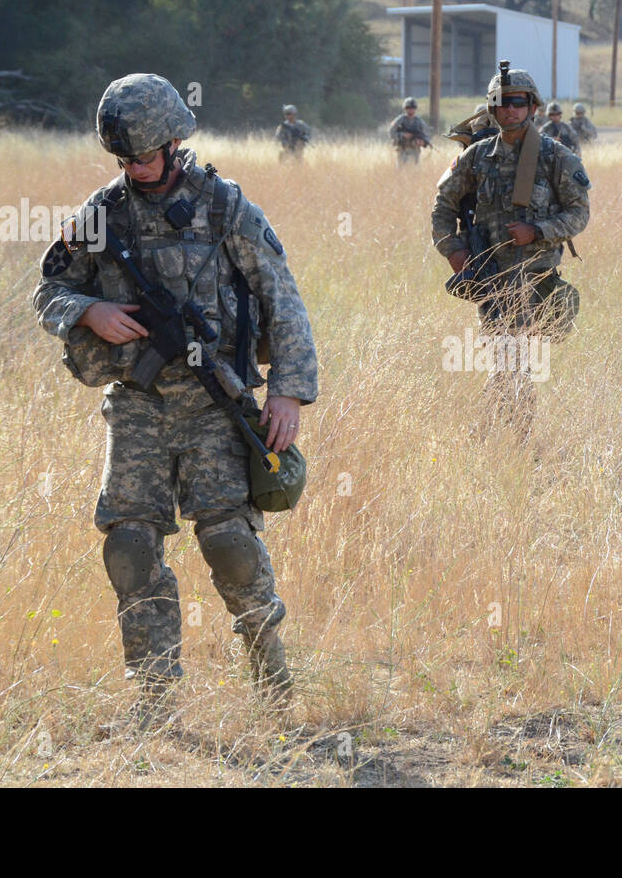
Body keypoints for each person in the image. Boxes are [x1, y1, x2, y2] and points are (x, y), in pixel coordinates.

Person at [32, 74, 318, 721]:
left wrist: (289, 395)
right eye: (124, 159)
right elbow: (48, 288)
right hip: (136, 404)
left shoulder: (225, 208)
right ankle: (154, 696)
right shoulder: (101, 214)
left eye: (143, 155)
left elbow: (283, 297)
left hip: (215, 406)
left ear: (175, 141)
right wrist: (89, 310)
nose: (134, 168)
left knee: (229, 545)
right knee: (129, 545)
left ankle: (271, 675)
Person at [431, 63, 589, 436]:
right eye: (502, 103)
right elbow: (443, 205)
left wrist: (537, 231)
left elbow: (579, 214)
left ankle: (506, 436)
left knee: (512, 358)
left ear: (532, 107)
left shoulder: (556, 157)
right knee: (506, 357)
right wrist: (452, 249)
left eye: (518, 102)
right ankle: (506, 436)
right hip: (489, 279)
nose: (510, 110)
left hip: (535, 280)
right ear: (492, 109)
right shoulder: (476, 156)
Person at [389, 97, 431, 164]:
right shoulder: (400, 120)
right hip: (403, 149)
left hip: (415, 150)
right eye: (409, 108)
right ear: (405, 109)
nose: (411, 110)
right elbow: (391, 132)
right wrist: (402, 135)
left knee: (415, 171)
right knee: (401, 170)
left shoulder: (419, 122)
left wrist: (422, 142)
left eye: (413, 108)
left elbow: (427, 135)